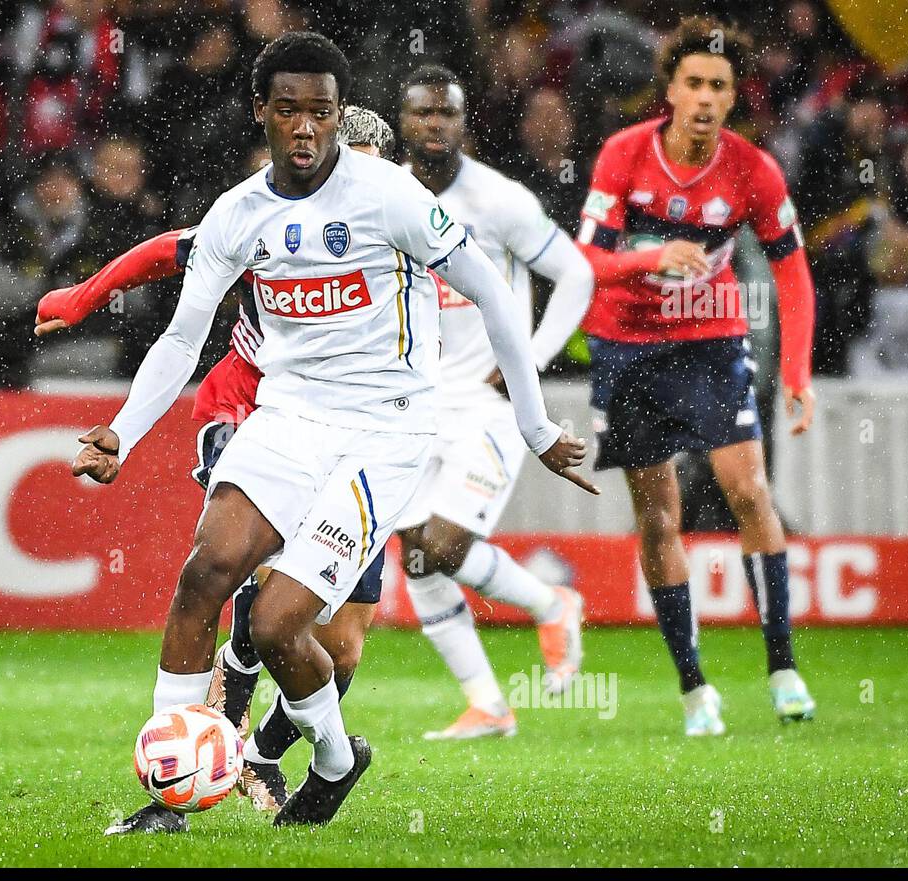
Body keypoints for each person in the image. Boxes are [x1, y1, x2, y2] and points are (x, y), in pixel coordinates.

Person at [70, 32, 590, 832]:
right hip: (289, 417)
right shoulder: (239, 213)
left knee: (280, 622)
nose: (305, 127)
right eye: (288, 110)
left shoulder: (390, 198)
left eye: (320, 111)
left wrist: (536, 424)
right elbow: (182, 337)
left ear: (337, 114)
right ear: (262, 114)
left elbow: (491, 291)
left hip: (386, 432)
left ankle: (338, 761)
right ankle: (168, 797)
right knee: (204, 574)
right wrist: (122, 433)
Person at [36, 106, 397, 815]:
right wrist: (82, 299)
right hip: (250, 407)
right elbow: (168, 251)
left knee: (341, 648)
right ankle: (194, 754)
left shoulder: (407, 233)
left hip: (362, 437)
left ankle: (262, 753)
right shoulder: (278, 216)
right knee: (233, 571)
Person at [575, 17, 817, 735]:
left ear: (734, 97)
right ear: (670, 91)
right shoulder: (623, 156)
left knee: (749, 488)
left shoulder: (752, 169)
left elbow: (794, 274)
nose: (706, 98)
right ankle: (694, 687)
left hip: (712, 340)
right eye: (694, 84)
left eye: (720, 86)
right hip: (628, 344)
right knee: (658, 515)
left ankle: (782, 667)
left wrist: (798, 370)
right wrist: (646, 259)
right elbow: (584, 258)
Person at [397, 64, 596, 740]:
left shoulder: (498, 199)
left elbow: (577, 272)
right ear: (402, 121)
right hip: (413, 405)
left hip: (488, 407)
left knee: (446, 543)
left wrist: (530, 363)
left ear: (463, 124)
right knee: (417, 556)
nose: (433, 124)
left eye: (445, 113)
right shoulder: (383, 194)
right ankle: (488, 703)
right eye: (422, 112)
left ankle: (551, 601)